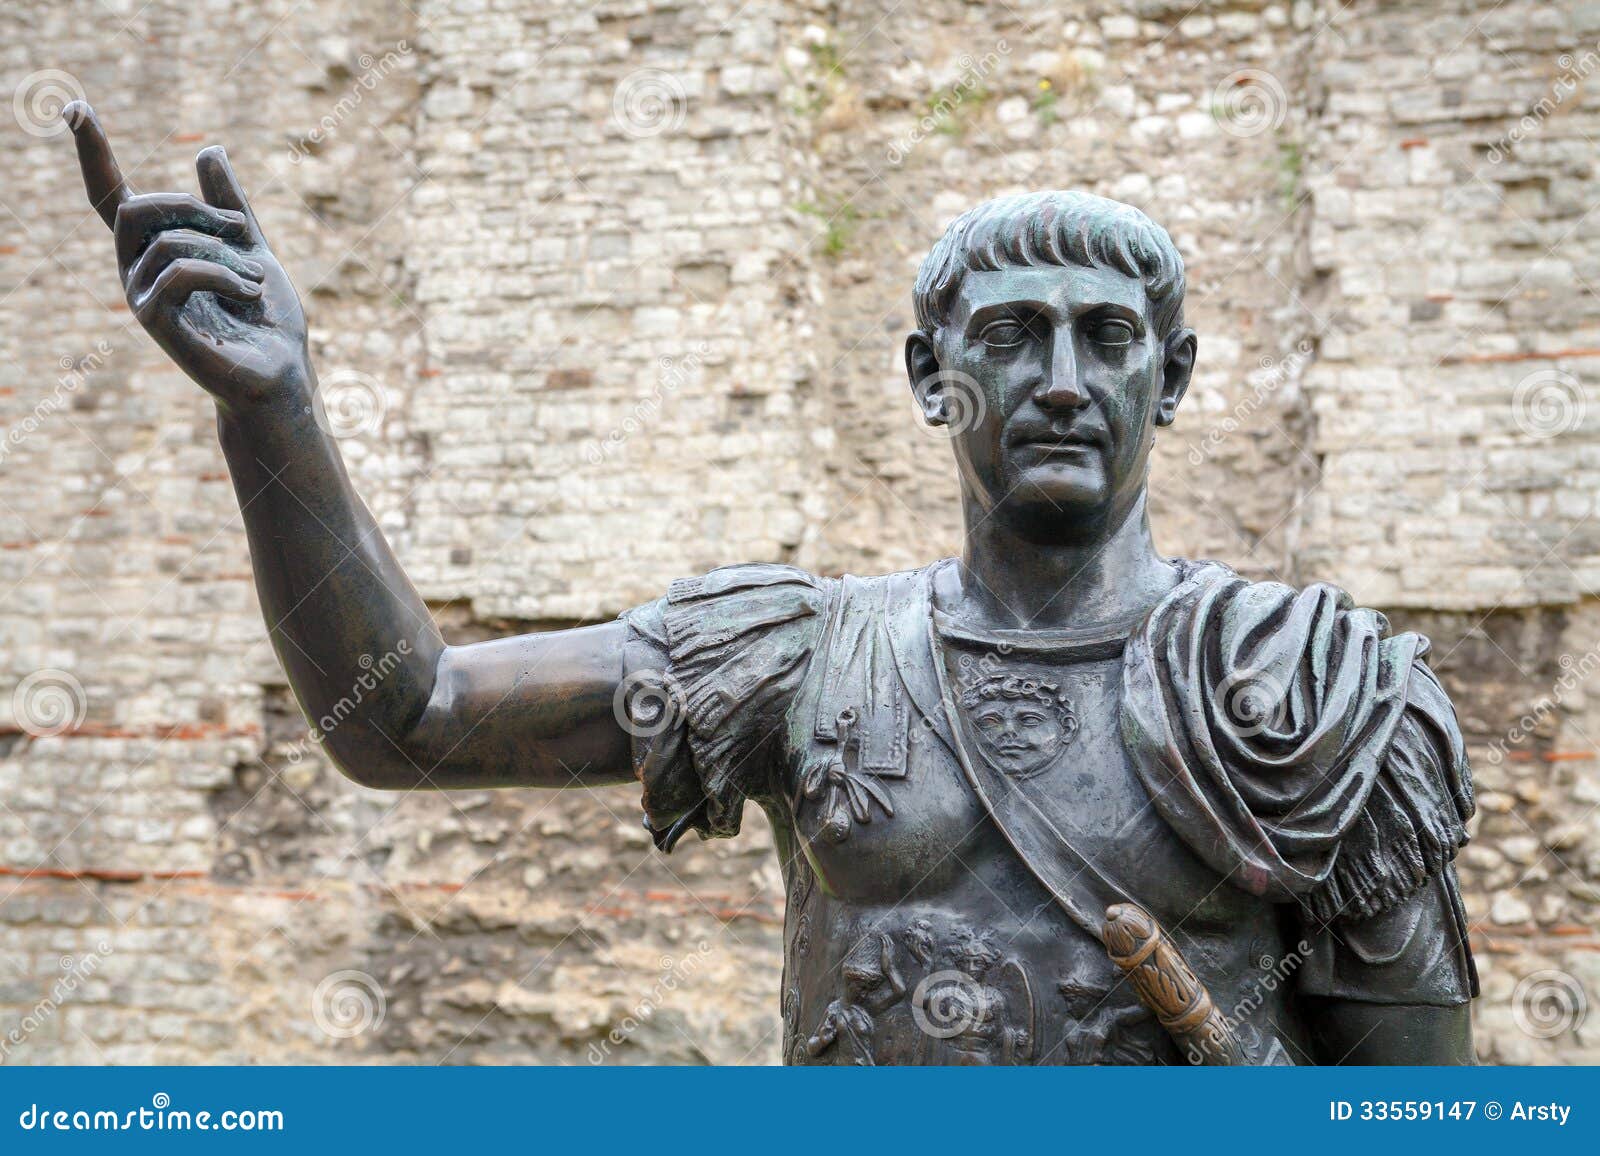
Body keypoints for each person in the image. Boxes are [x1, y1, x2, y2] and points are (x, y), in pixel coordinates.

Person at [63, 102, 1477, 1064]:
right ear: (935, 376)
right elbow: (405, 718)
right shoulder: (799, 658)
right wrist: (273, 414)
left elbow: (1425, 1118)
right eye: (1010, 336)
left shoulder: (1308, 691)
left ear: (1167, 378)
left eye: (1107, 338)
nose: (1059, 379)